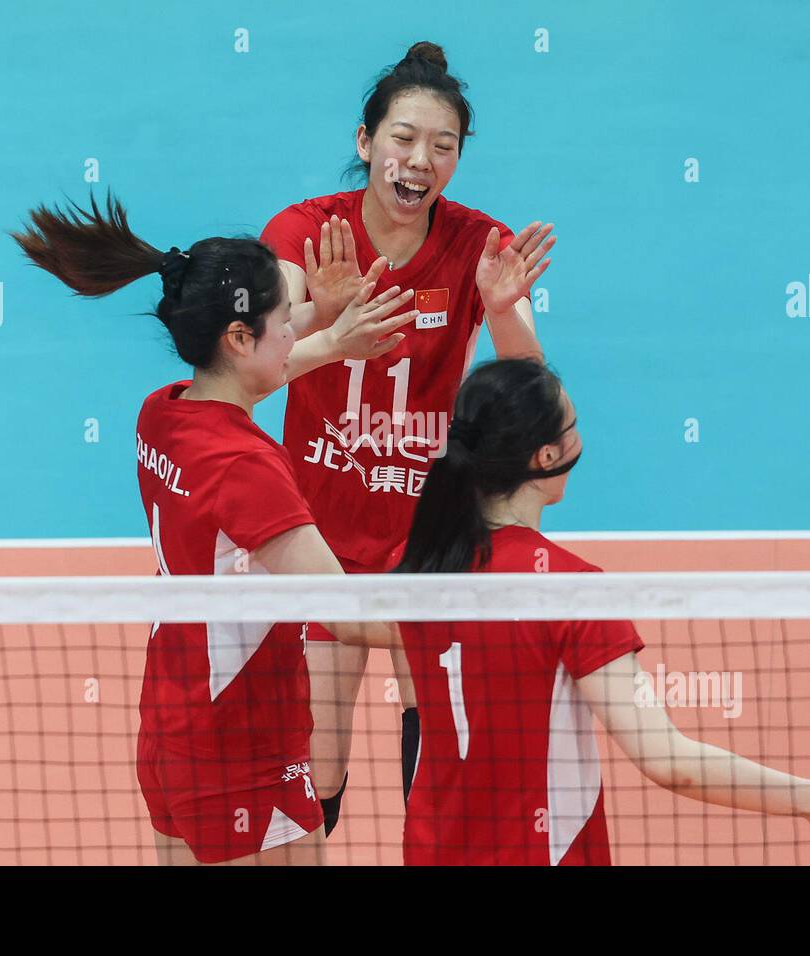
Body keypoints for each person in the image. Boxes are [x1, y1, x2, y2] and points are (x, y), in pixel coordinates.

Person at [10, 192, 409, 864]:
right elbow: (347, 614)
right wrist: (485, 617)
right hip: (246, 746)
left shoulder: (160, 413)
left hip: (170, 727)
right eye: (289, 320)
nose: (296, 334)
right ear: (239, 337)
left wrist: (332, 336)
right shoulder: (250, 470)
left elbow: (246, 382)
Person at [391, 358, 810, 864]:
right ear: (546, 456)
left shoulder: (416, 570)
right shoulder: (568, 589)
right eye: (573, 426)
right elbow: (669, 761)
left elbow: (347, 622)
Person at [260, 40, 556, 832]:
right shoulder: (304, 232)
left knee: (443, 758)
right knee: (315, 770)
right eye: (401, 138)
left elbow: (536, 401)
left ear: (458, 157)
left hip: (432, 537)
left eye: (443, 145)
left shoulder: (479, 246)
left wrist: (499, 310)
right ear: (366, 144)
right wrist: (322, 322)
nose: (418, 160)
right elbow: (260, 361)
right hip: (316, 540)